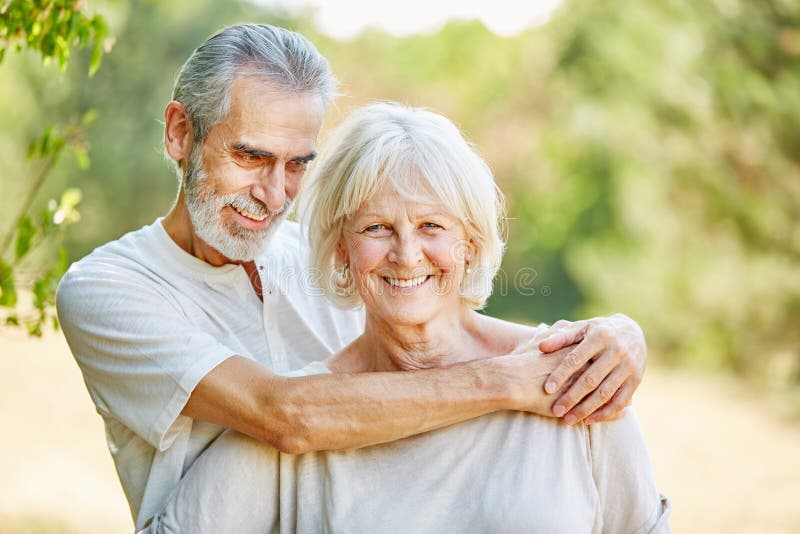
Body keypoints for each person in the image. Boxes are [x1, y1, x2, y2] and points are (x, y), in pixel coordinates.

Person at [56, 24, 649, 530]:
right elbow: (285, 415)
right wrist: (510, 382)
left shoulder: (325, 253)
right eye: (250, 156)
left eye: (296, 165)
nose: (273, 194)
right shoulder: (109, 290)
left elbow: (427, 314)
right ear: (181, 134)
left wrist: (620, 334)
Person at [154, 102, 670, 533]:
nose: (406, 253)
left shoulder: (577, 375)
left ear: (468, 243)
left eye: (431, 225)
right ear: (340, 250)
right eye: (376, 227)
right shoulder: (298, 421)